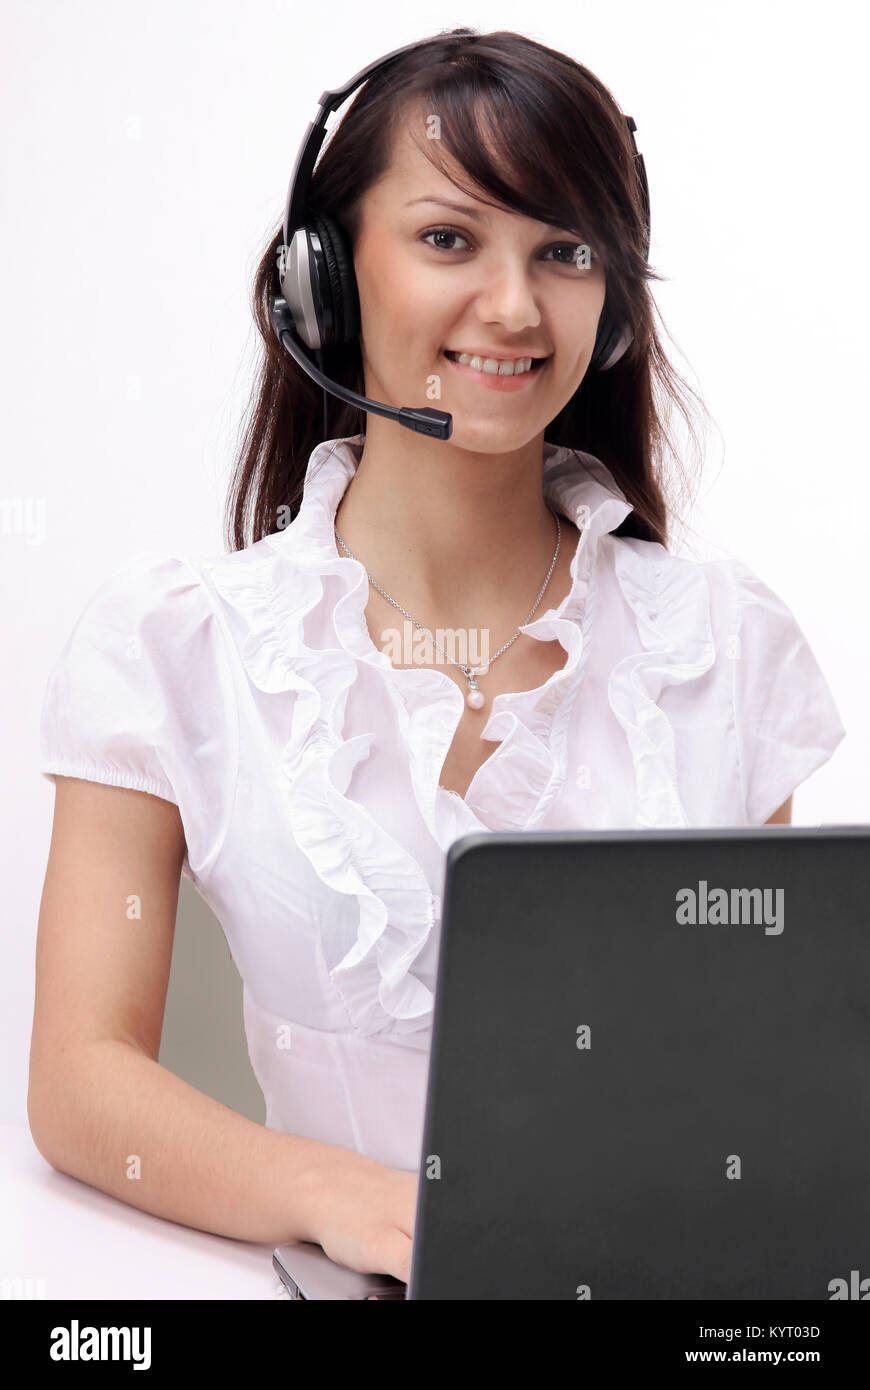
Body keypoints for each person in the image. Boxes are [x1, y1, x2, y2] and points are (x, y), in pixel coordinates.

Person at [28, 28, 846, 1287]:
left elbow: (748, 1078)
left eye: (564, 251)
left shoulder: (723, 646)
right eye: (449, 238)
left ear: (614, 306)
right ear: (325, 281)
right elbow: (80, 1079)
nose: (514, 308)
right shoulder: (175, 644)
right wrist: (343, 1198)